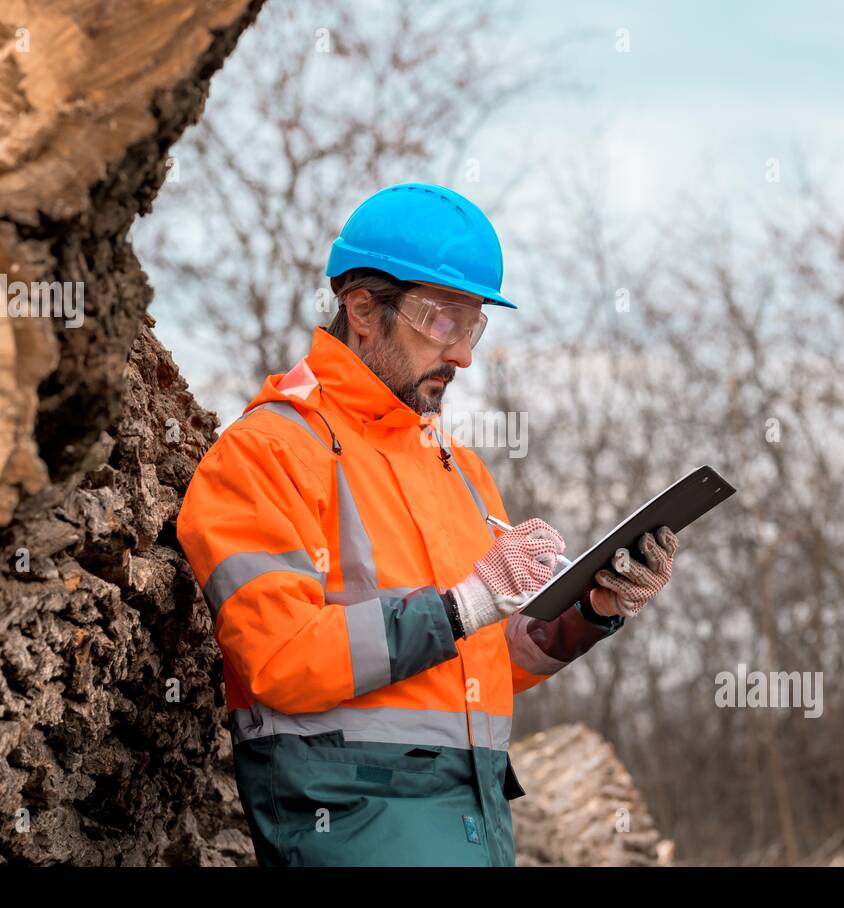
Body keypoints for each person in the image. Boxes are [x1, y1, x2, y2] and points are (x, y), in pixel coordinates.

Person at [176, 182, 681, 865]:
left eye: (472, 325)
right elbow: (278, 658)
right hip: (353, 828)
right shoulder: (265, 452)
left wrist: (591, 610)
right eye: (441, 321)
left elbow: (487, 659)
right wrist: (463, 605)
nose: (464, 354)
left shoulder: (457, 469)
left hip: (477, 824)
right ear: (361, 308)